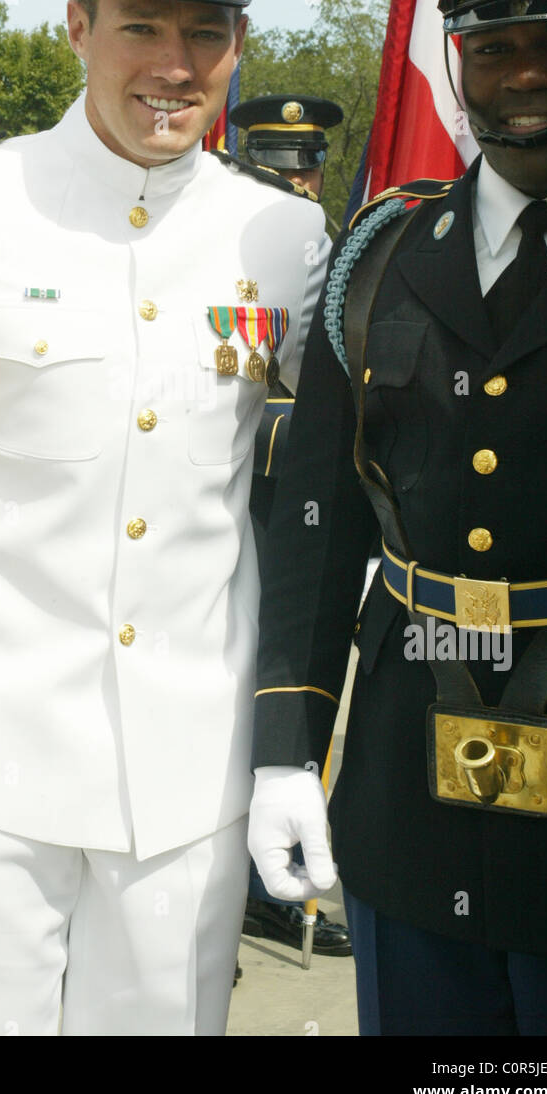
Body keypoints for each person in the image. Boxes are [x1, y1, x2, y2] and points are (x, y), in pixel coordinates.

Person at [0, 0, 330, 1036]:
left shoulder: (281, 236)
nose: (172, 65)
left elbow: (330, 474)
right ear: (76, 25)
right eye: (139, 25)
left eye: (205, 29)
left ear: (240, 42)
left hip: (187, 773)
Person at [249, 0, 547, 1035]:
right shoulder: (385, 254)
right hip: (405, 793)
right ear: (455, 62)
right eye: (492, 48)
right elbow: (313, 522)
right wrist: (285, 750)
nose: (526, 75)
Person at [229, 94, 351, 958]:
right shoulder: (231, 241)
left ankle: (271, 889)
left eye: (305, 162)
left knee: (289, 704)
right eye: (276, 159)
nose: (293, 177)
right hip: (233, 517)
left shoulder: (340, 248)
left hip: (304, 527)